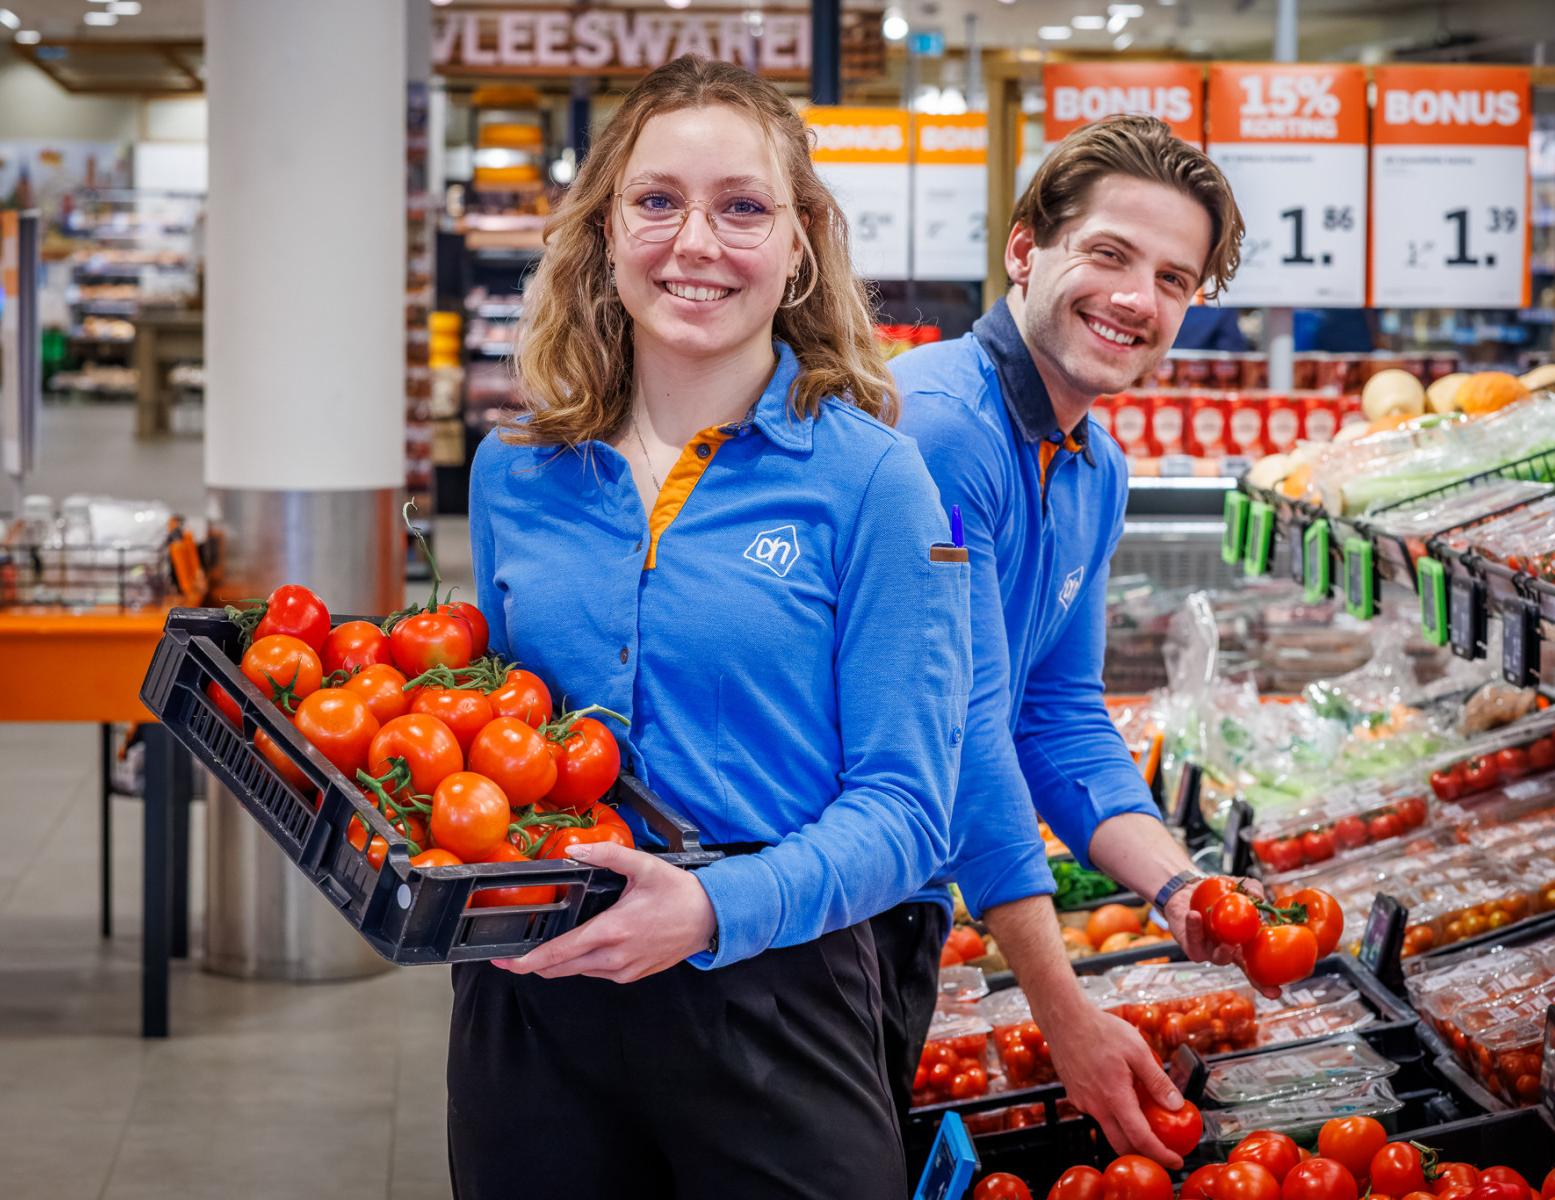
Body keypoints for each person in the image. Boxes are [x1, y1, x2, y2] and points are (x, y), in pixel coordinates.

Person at [454, 56, 969, 1199]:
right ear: (600, 232)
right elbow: (492, 740)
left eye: (741, 207)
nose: (695, 242)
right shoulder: (513, 474)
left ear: (798, 245)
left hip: (774, 997)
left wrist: (707, 909)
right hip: (531, 997)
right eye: (656, 201)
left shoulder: (874, 484)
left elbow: (907, 814)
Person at [885, 114, 1259, 1167]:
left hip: (904, 903)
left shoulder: (1091, 463)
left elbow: (1052, 714)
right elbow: (958, 731)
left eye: (1174, 280)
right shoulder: (941, 427)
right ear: (1022, 248)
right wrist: (1062, 1012)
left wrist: (1178, 886)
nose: (1137, 299)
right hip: (811, 919)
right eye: (1107, 253)